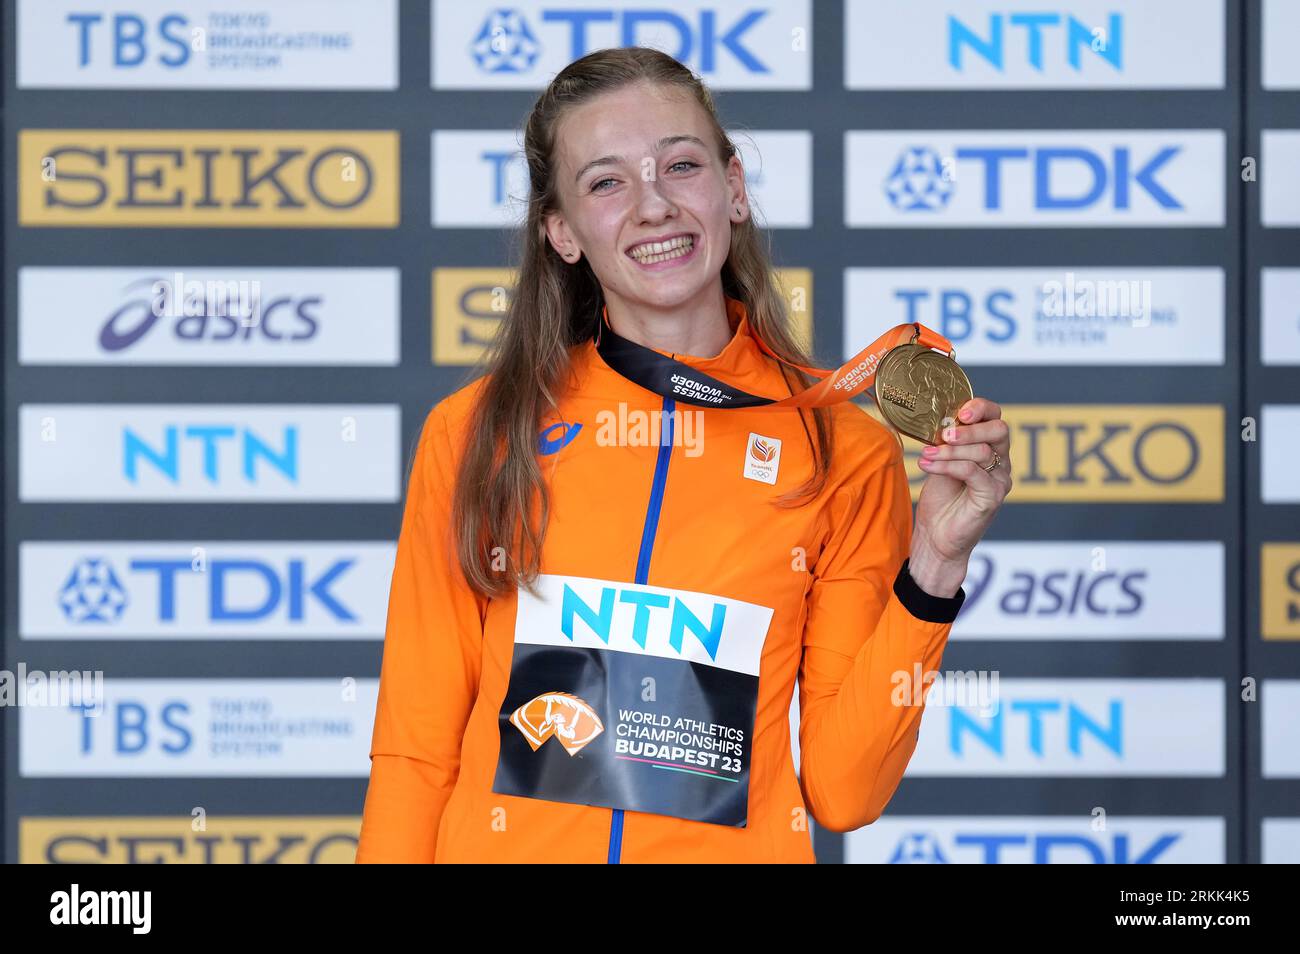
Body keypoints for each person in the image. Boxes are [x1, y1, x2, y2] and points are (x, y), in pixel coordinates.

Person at [356, 46, 1012, 864]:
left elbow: (845, 792)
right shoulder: (479, 433)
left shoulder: (842, 450)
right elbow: (416, 755)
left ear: (733, 189)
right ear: (562, 231)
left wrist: (936, 566)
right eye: (606, 182)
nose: (654, 205)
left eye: (681, 165)